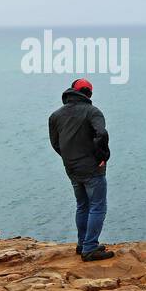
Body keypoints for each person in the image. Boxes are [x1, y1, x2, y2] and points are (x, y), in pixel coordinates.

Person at [48, 78, 114, 261]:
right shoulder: (93, 112)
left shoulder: (55, 116)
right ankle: (90, 248)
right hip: (92, 167)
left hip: (72, 168)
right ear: (89, 94)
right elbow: (101, 133)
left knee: (82, 205)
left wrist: (69, 158)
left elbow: (55, 143)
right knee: (97, 207)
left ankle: (82, 243)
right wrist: (102, 156)